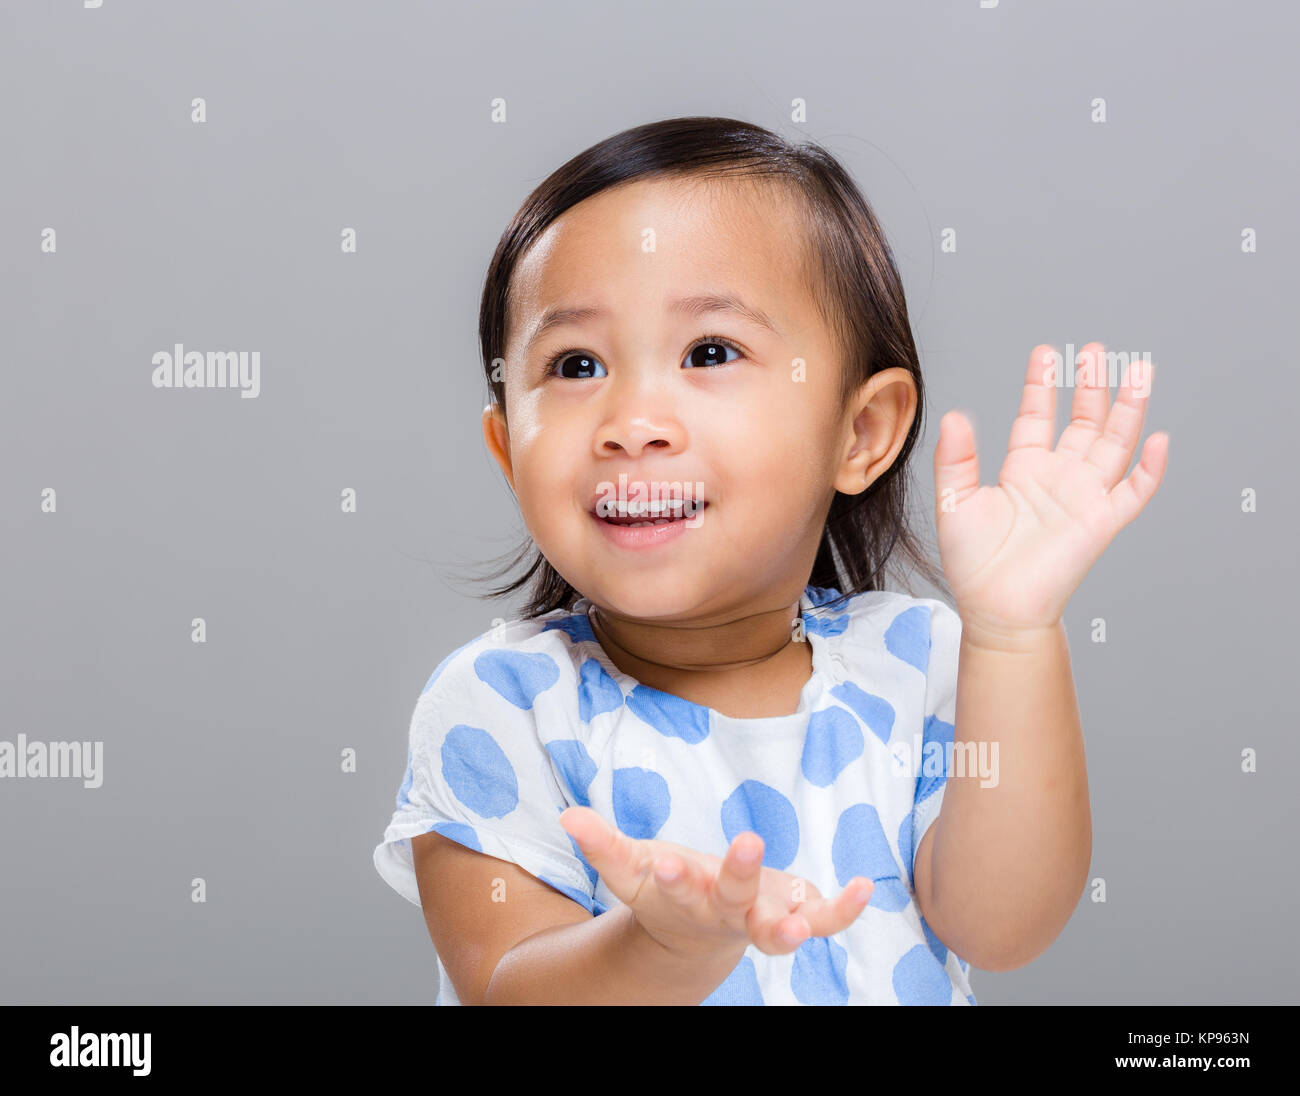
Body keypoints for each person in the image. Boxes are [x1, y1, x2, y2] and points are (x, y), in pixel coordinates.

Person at [372, 116, 1168, 1005]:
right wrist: (663, 948)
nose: (634, 422)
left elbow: (1005, 924)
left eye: (709, 352)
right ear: (508, 448)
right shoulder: (502, 706)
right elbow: (503, 983)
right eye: (576, 363)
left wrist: (1015, 636)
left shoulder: (916, 664)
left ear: (861, 432)